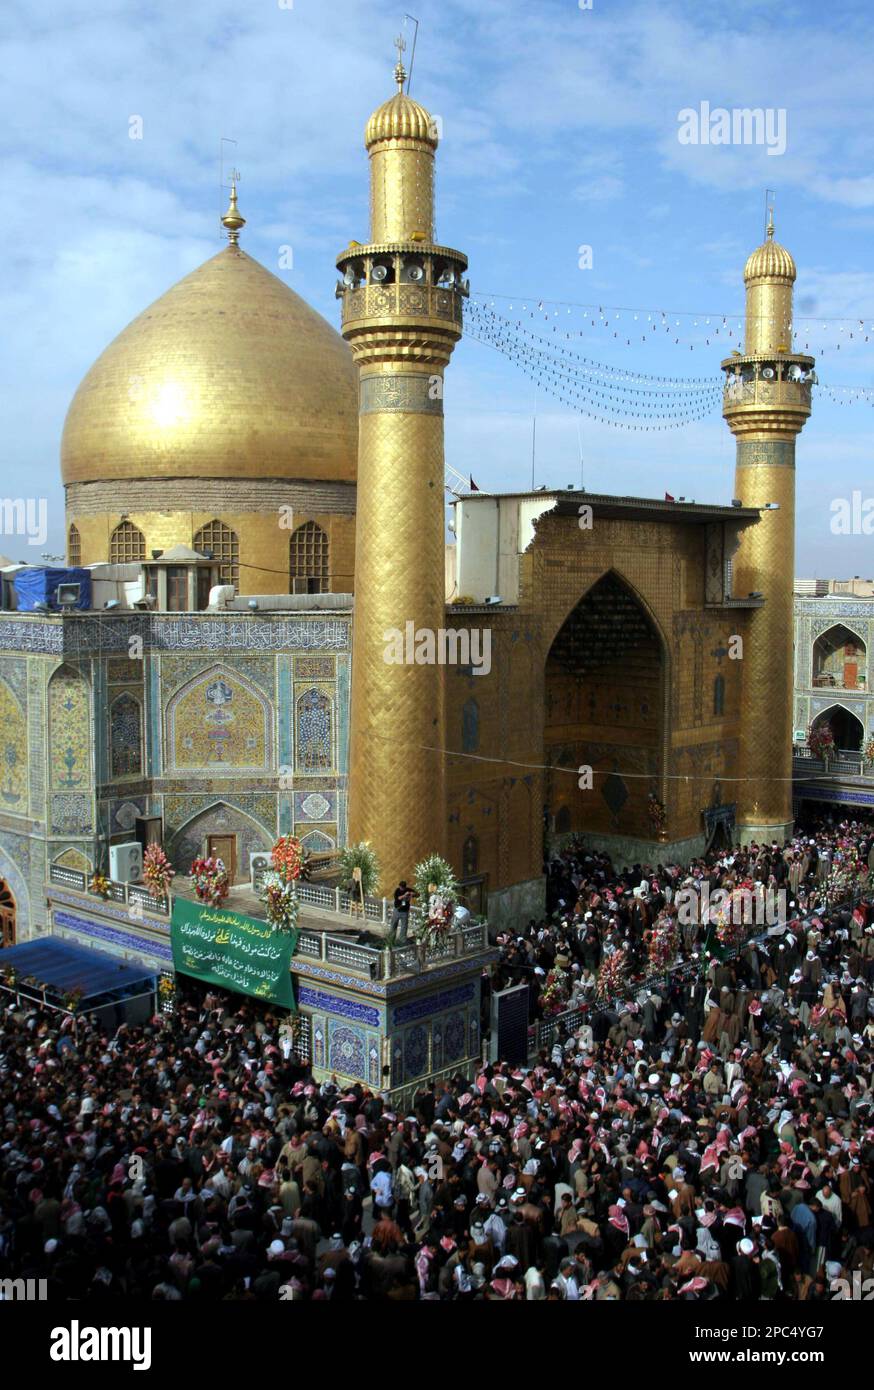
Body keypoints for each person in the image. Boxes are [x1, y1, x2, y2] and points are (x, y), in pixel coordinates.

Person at [391, 880, 417, 944]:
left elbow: (417, 894)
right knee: (393, 924)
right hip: (397, 910)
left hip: (405, 911)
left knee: (404, 926)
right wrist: (404, 895)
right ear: (399, 886)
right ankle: (391, 939)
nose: (402, 888)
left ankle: (402, 939)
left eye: (403, 887)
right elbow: (398, 898)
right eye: (401, 887)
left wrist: (413, 894)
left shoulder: (408, 890)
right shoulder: (397, 890)